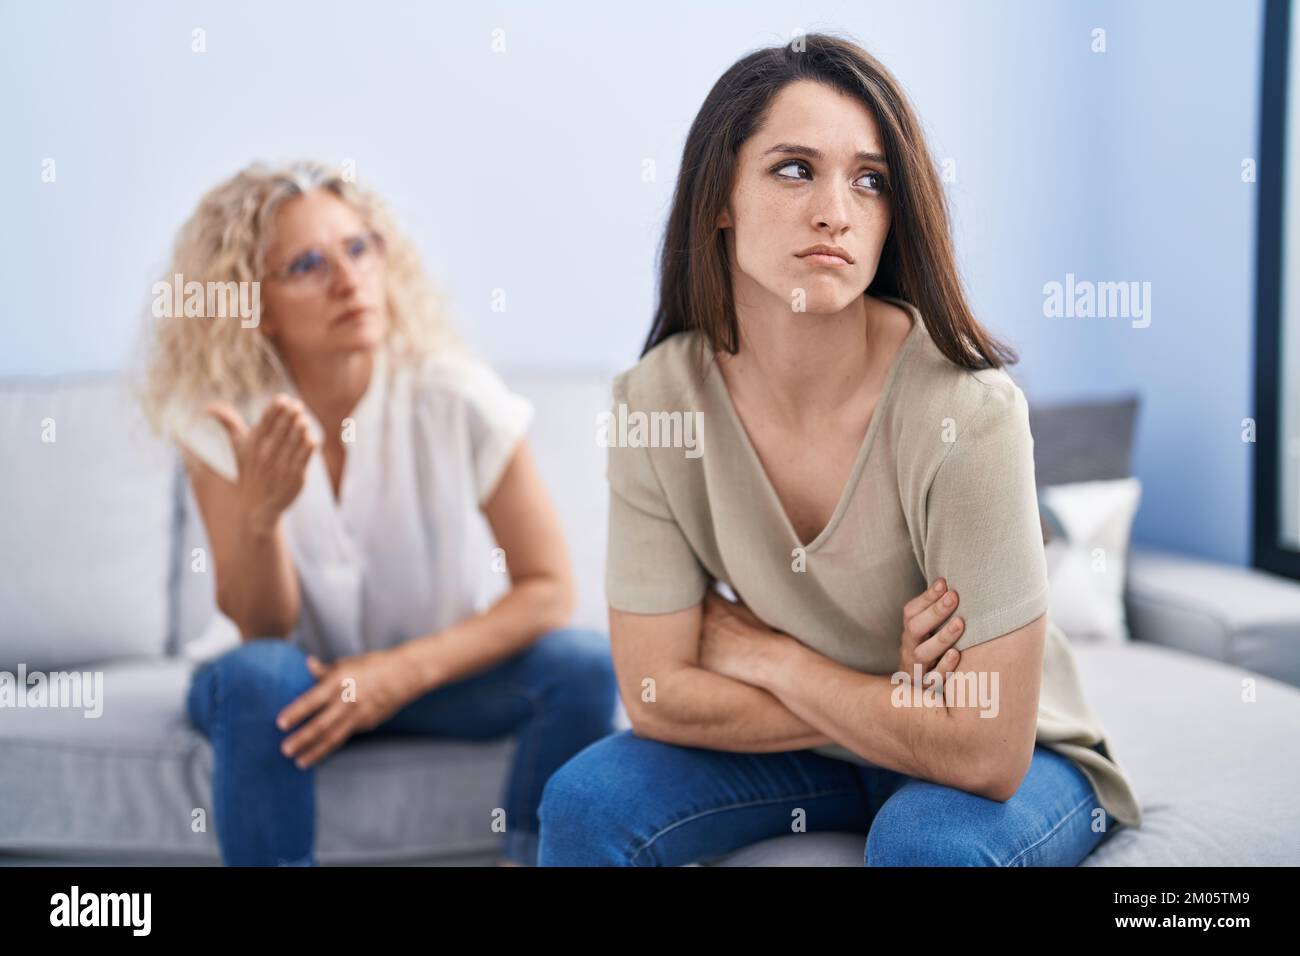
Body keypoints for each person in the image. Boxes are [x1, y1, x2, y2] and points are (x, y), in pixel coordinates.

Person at [537, 35, 1142, 866]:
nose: (837, 210)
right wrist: (895, 703)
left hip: (1031, 754)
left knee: (929, 846)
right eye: (794, 168)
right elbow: (653, 694)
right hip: (839, 744)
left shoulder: (970, 412)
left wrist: (773, 657)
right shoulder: (653, 403)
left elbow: (987, 750)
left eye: (870, 180)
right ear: (719, 196)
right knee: (583, 802)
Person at [139, 160, 618, 866]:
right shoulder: (224, 422)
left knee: (582, 664)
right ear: (256, 305)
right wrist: (260, 516)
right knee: (259, 673)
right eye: (306, 264)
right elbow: (262, 627)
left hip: (428, 682)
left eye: (358, 248)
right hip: (288, 696)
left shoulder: (455, 395)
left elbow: (548, 590)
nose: (347, 279)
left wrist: (392, 676)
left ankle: (532, 857)